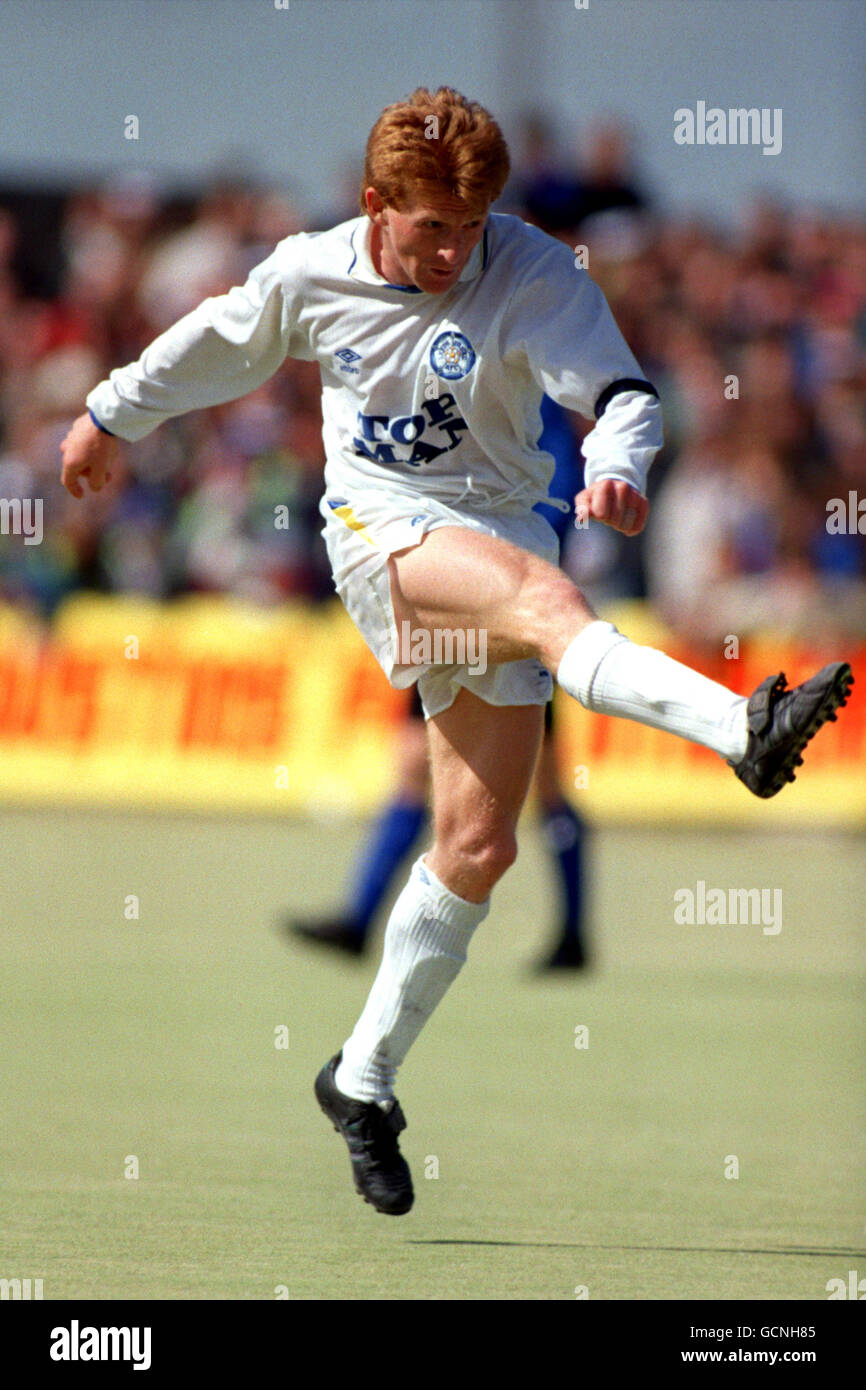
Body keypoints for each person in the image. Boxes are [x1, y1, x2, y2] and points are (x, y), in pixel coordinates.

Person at [60, 87, 853, 1219]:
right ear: (374, 205)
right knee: (547, 601)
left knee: (478, 848)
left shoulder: (530, 270)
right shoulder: (310, 273)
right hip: (379, 534)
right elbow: (219, 343)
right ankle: (741, 730)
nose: (452, 251)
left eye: (470, 227)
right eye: (430, 227)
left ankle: (359, 1078)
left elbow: (620, 391)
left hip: (503, 529)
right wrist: (108, 413)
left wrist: (616, 464)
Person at [288, 394, 591, 972]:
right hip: (450, 604)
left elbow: (559, 495)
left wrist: (502, 565)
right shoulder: (453, 385)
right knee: (413, 764)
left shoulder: (532, 400)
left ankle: (574, 932)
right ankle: (359, 918)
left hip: (507, 610)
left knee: (547, 783)